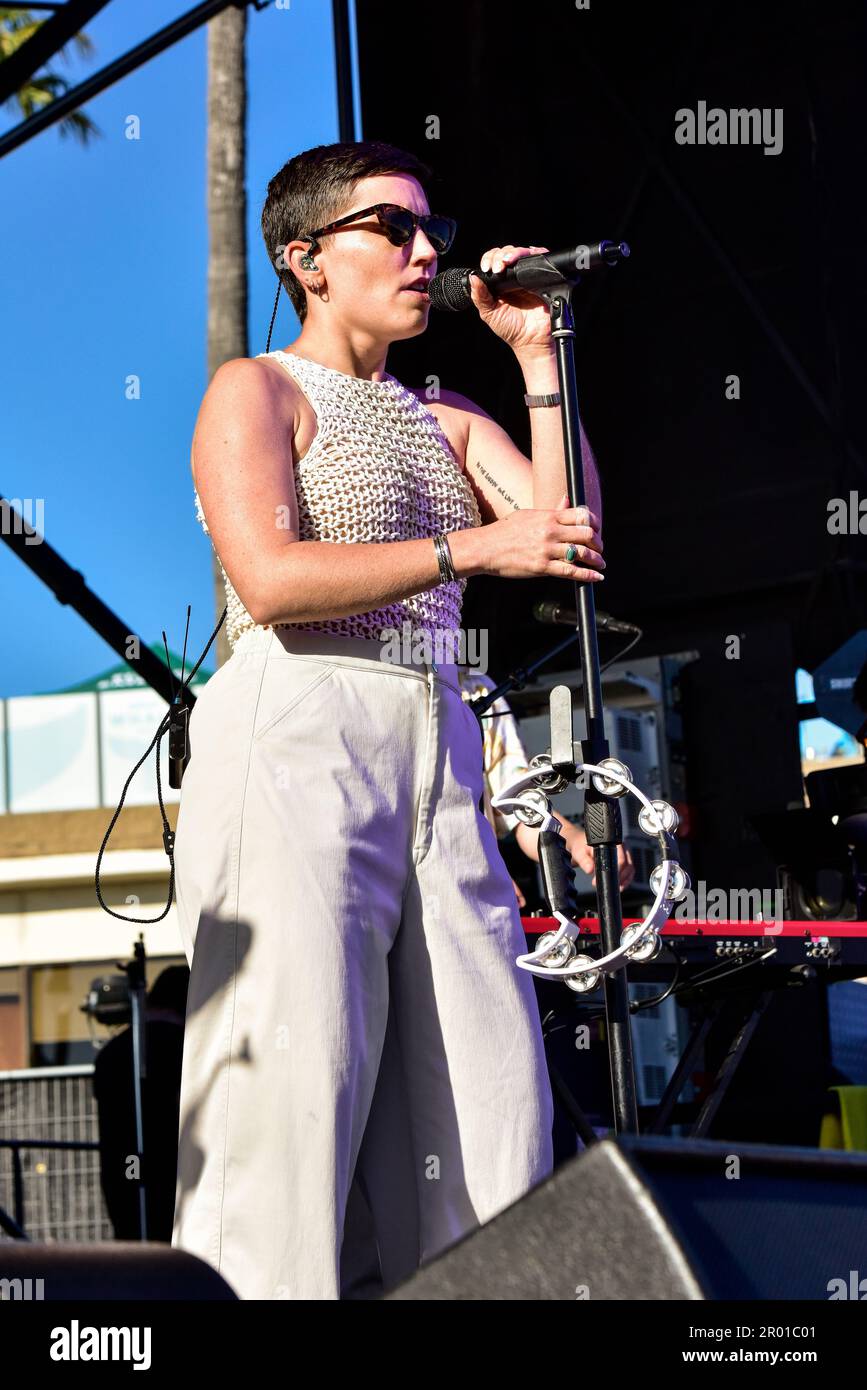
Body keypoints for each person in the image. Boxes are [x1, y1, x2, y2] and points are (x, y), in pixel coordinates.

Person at [170, 140, 606, 1300]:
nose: (427, 254)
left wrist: (536, 353)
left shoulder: (444, 414)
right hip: (302, 725)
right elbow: (267, 577)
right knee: (293, 1099)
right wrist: (467, 547)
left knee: (494, 1101)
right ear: (304, 258)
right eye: (393, 228)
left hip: (441, 743)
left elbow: (565, 535)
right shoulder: (255, 389)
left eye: (433, 233)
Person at [457, 665, 635, 908]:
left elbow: (520, 807)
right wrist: (475, 864)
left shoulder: (476, 687)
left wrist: (576, 840)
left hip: (473, 902)